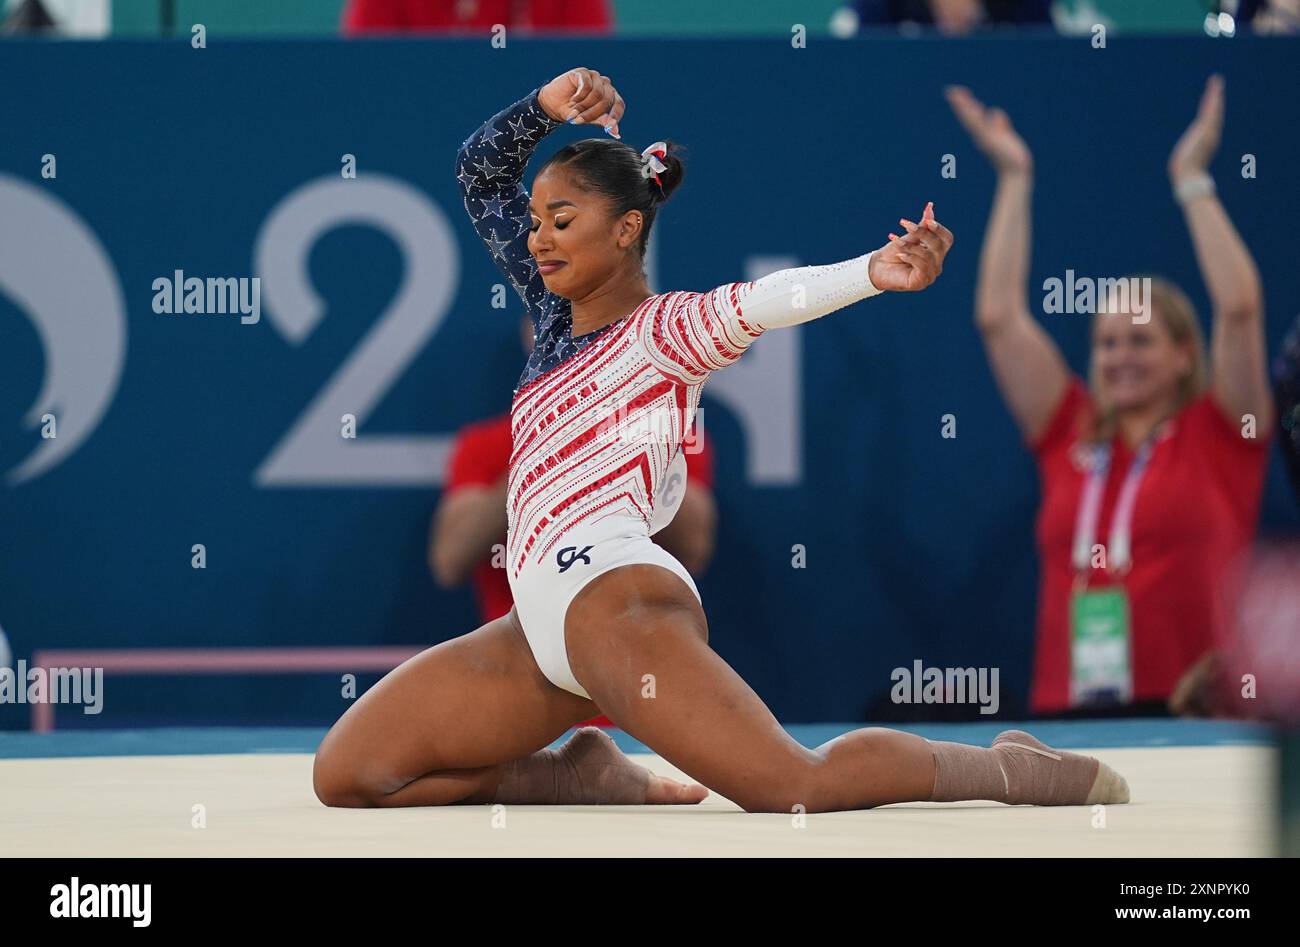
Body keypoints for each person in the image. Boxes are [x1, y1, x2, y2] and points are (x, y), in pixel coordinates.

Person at [312, 67, 1128, 811]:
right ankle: (572, 774)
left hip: (616, 605)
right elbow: (477, 172)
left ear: (627, 229)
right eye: (535, 222)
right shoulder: (554, 317)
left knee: (795, 785)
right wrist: (545, 106)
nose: (538, 238)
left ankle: (1008, 766)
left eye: (561, 220)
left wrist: (872, 272)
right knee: (350, 773)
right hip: (537, 631)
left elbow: (771, 298)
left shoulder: (667, 330)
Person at [947, 77, 1274, 718]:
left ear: (1185, 353)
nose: (1120, 357)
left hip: (1194, 714)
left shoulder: (1224, 434)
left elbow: (1239, 307)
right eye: (1106, 343)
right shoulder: (1068, 429)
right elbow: (998, 318)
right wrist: (1014, 177)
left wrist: (1192, 181)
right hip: (1069, 712)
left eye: (1141, 340)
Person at [430, 314, 718, 725]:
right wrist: (547, 448)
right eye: (562, 326)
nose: (581, 342)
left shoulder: (669, 432)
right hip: (523, 704)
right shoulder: (487, 445)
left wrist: (623, 440)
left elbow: (694, 547)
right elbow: (450, 559)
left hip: (639, 702)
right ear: (534, 338)